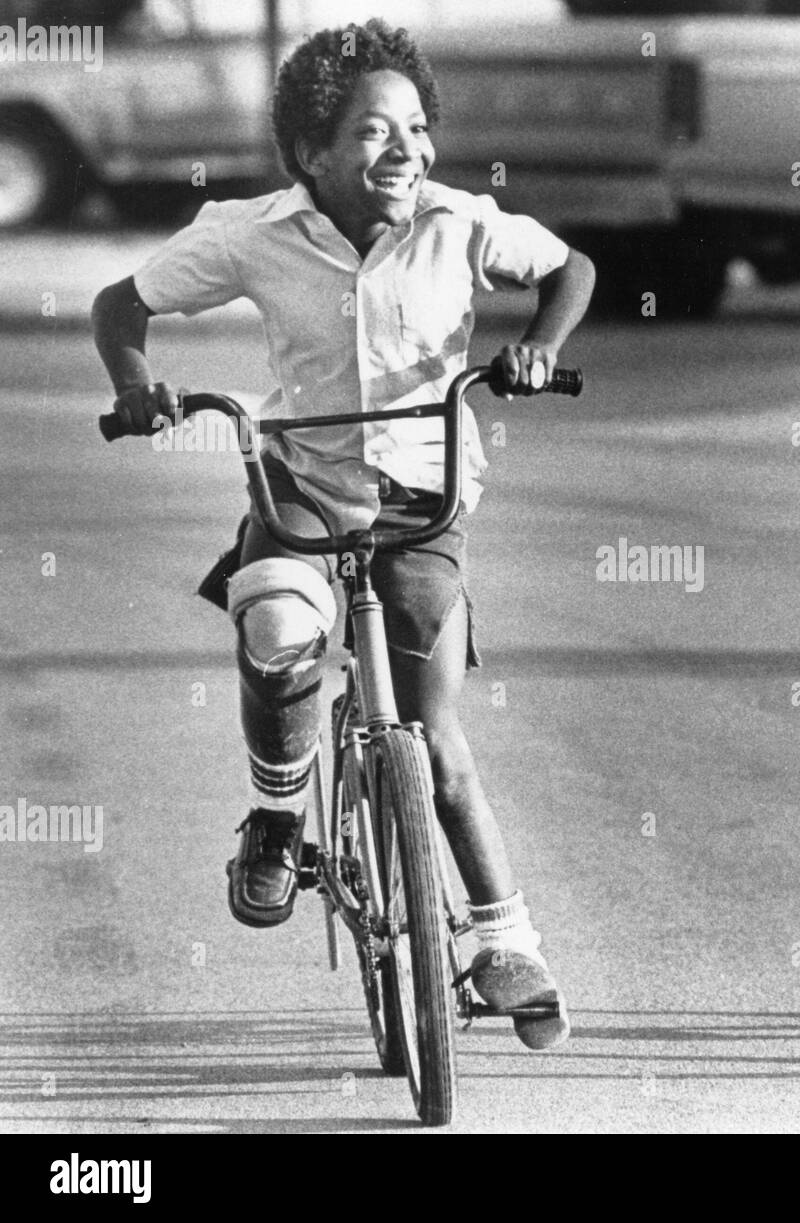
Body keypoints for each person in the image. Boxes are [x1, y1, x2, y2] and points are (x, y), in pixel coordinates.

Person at [92, 18, 595, 1049]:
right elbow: (118, 305)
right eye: (372, 132)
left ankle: (507, 939)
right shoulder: (249, 231)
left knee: (432, 729)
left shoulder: (460, 221)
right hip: (303, 490)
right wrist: (138, 386)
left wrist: (538, 349)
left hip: (424, 501)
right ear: (313, 152)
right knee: (277, 634)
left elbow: (571, 269)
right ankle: (278, 808)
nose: (405, 150)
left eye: (416, 128)